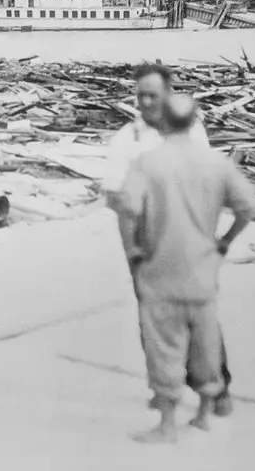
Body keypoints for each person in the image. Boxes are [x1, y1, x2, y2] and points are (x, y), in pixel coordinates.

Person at [119, 94, 255, 444]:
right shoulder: (216, 163)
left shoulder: (147, 163)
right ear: (194, 121)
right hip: (202, 269)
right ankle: (203, 414)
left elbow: (128, 210)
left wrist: (135, 251)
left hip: (161, 269)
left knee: (165, 346)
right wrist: (225, 240)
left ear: (162, 122)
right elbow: (250, 208)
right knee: (205, 343)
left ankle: (167, 424)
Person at [103, 63, 236, 416]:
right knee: (150, 318)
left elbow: (208, 183)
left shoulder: (192, 130)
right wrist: (131, 249)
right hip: (147, 239)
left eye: (154, 94)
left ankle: (219, 390)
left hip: (190, 236)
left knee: (200, 318)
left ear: (168, 94)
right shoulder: (126, 139)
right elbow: (117, 199)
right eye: (141, 95)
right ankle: (166, 391)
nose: (147, 101)